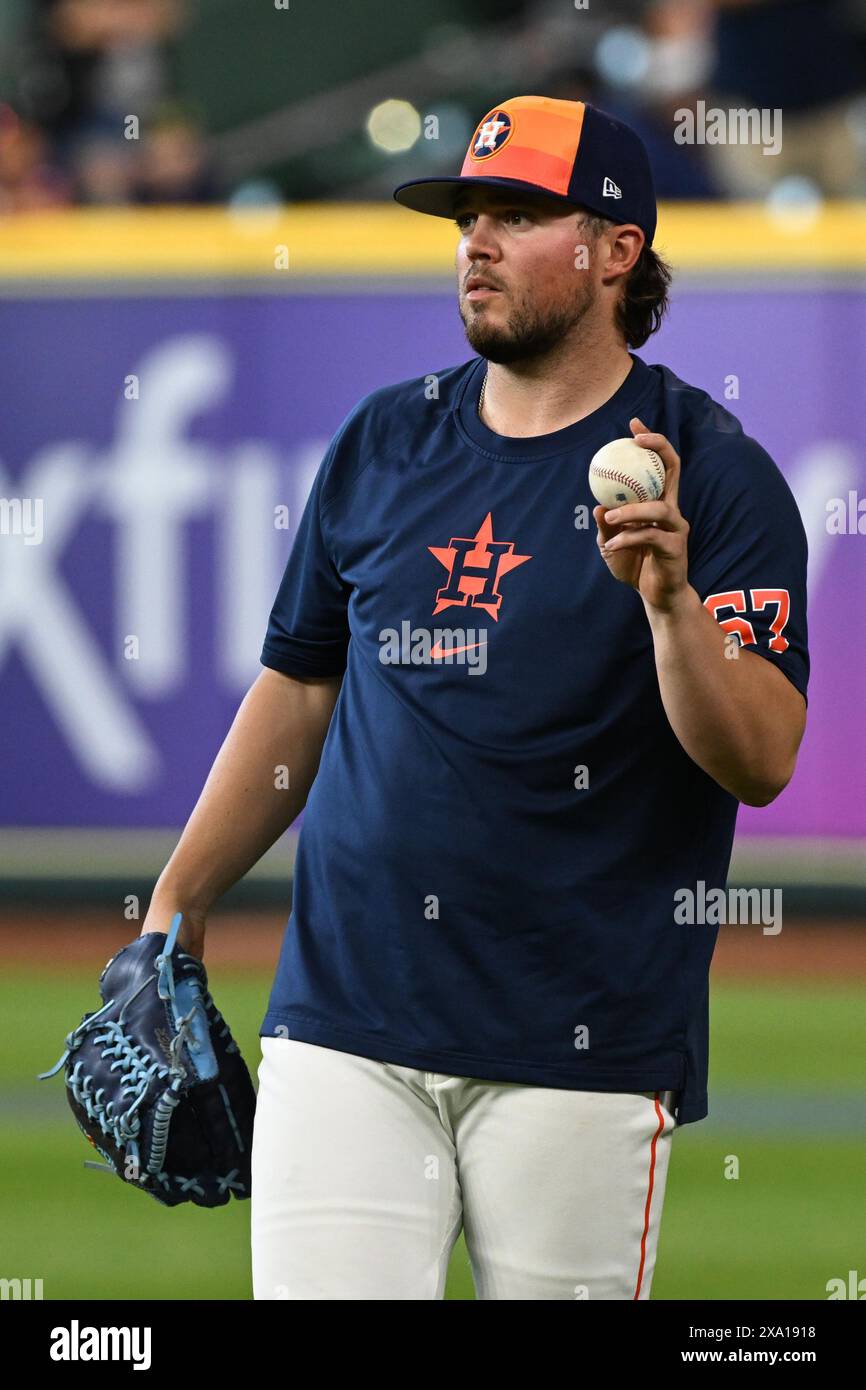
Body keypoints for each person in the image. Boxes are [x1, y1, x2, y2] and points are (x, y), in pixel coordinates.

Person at [142, 95, 808, 1300]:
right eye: (466, 214)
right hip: (345, 1018)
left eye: (517, 213)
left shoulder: (712, 474)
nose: (477, 241)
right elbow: (297, 694)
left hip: (580, 1044)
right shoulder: (383, 441)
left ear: (616, 252)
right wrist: (178, 899)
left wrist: (669, 604)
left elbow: (758, 757)